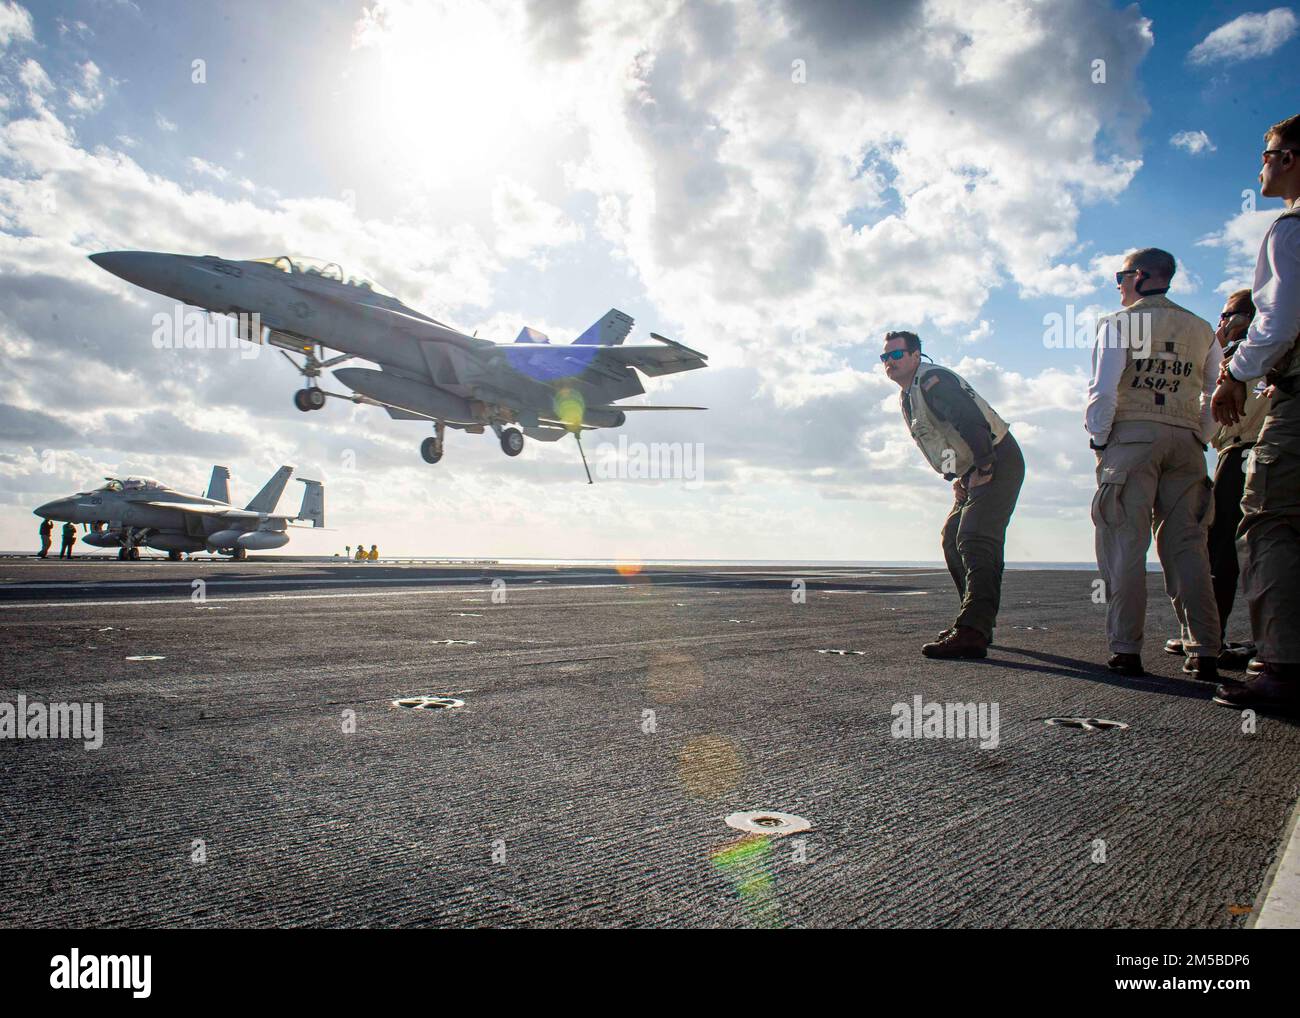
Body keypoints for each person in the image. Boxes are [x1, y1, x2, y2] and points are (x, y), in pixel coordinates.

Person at [1085, 247, 1222, 680]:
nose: (1119, 284)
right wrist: (1202, 434)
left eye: (1121, 275)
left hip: (1132, 437)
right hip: (1187, 443)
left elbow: (1103, 390)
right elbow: (1216, 393)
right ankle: (1204, 650)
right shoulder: (1203, 329)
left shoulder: (1118, 324)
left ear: (1141, 276)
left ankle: (1126, 649)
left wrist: (1100, 438)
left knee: (1125, 542)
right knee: (1187, 547)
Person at [1210, 113, 1300, 713]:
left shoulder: (1289, 230)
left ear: (1291, 158)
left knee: (1271, 520)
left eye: (1268, 154)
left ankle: (1283, 669)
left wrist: (1233, 374)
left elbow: (1279, 321)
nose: (1262, 165)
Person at [881, 330, 1025, 658]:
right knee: (952, 537)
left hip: (997, 458)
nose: (890, 362)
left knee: (975, 536)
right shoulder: (909, 394)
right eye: (885, 357)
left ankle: (972, 631)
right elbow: (942, 438)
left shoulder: (933, 381)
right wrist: (959, 476)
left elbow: (969, 419)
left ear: (916, 356)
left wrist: (986, 466)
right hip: (972, 468)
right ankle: (974, 621)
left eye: (897, 355)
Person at [1167, 290, 1269, 666]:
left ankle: (1210, 638)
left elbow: (1208, 408)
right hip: (1262, 453)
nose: (1221, 323)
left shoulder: (1239, 358)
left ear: (1244, 318)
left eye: (1226, 316)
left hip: (1244, 453)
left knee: (1222, 549)